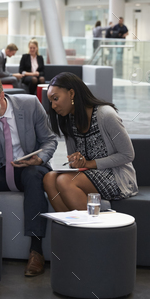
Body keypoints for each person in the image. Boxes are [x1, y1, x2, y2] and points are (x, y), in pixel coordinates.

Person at [0, 74, 57, 277]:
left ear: (1, 96)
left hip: (29, 167)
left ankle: (36, 250)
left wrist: (39, 158)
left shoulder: (30, 105)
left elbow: (49, 140)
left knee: (34, 175)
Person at [43, 72, 138, 213]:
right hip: (89, 175)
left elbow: (127, 155)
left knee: (64, 181)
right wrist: (76, 161)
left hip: (117, 177)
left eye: (56, 98)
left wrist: (89, 163)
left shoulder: (106, 115)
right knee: (49, 178)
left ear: (71, 93)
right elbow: (74, 160)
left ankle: (90, 230)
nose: (53, 106)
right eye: (51, 101)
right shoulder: (69, 120)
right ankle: (70, 226)